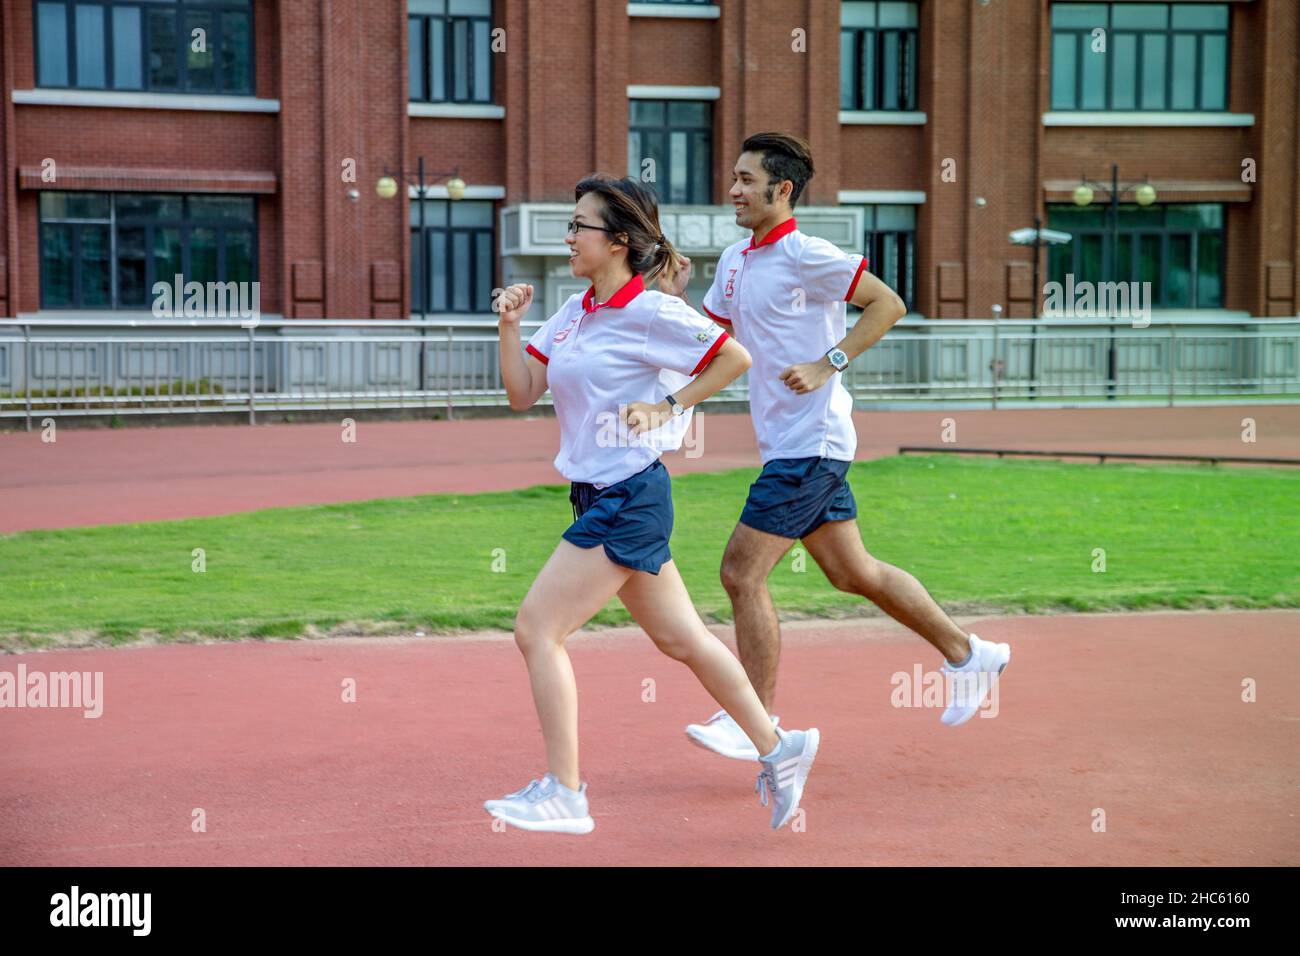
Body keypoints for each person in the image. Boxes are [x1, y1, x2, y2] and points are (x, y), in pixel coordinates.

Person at [486, 174, 819, 833]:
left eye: (579, 225)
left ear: (617, 241)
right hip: (596, 496)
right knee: (682, 638)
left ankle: (565, 793)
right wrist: (509, 326)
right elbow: (522, 393)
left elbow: (734, 358)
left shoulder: (650, 313)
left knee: (538, 629)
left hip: (629, 497)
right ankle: (780, 747)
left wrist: (668, 406)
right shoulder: (575, 311)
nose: (568, 236)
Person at [669, 133, 1011, 761]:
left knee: (741, 573)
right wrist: (674, 296)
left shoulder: (808, 255)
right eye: (734, 178)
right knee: (853, 572)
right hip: (787, 444)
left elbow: (888, 303)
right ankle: (970, 654)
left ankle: (756, 721)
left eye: (747, 180)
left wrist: (829, 362)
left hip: (813, 442)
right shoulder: (735, 260)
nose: (734, 189)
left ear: (782, 190)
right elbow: (714, 337)